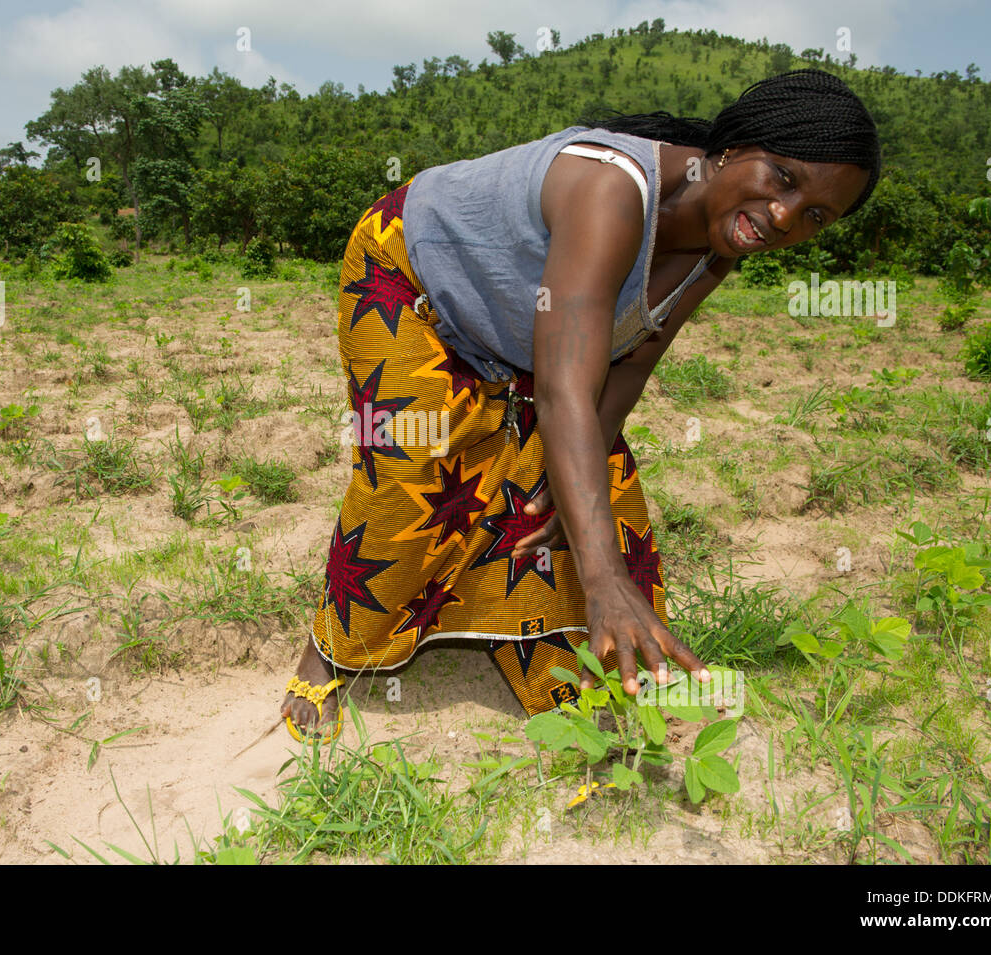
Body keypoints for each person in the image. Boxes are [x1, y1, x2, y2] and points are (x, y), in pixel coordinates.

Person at [281, 68, 881, 741]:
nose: (783, 217)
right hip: (409, 279)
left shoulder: (715, 250)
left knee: (585, 484)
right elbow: (565, 387)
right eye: (783, 178)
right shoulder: (612, 189)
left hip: (516, 328)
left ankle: (549, 650)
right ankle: (329, 649)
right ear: (732, 147)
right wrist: (601, 577)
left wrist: (571, 503)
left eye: (815, 216)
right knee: (413, 463)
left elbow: (627, 371)